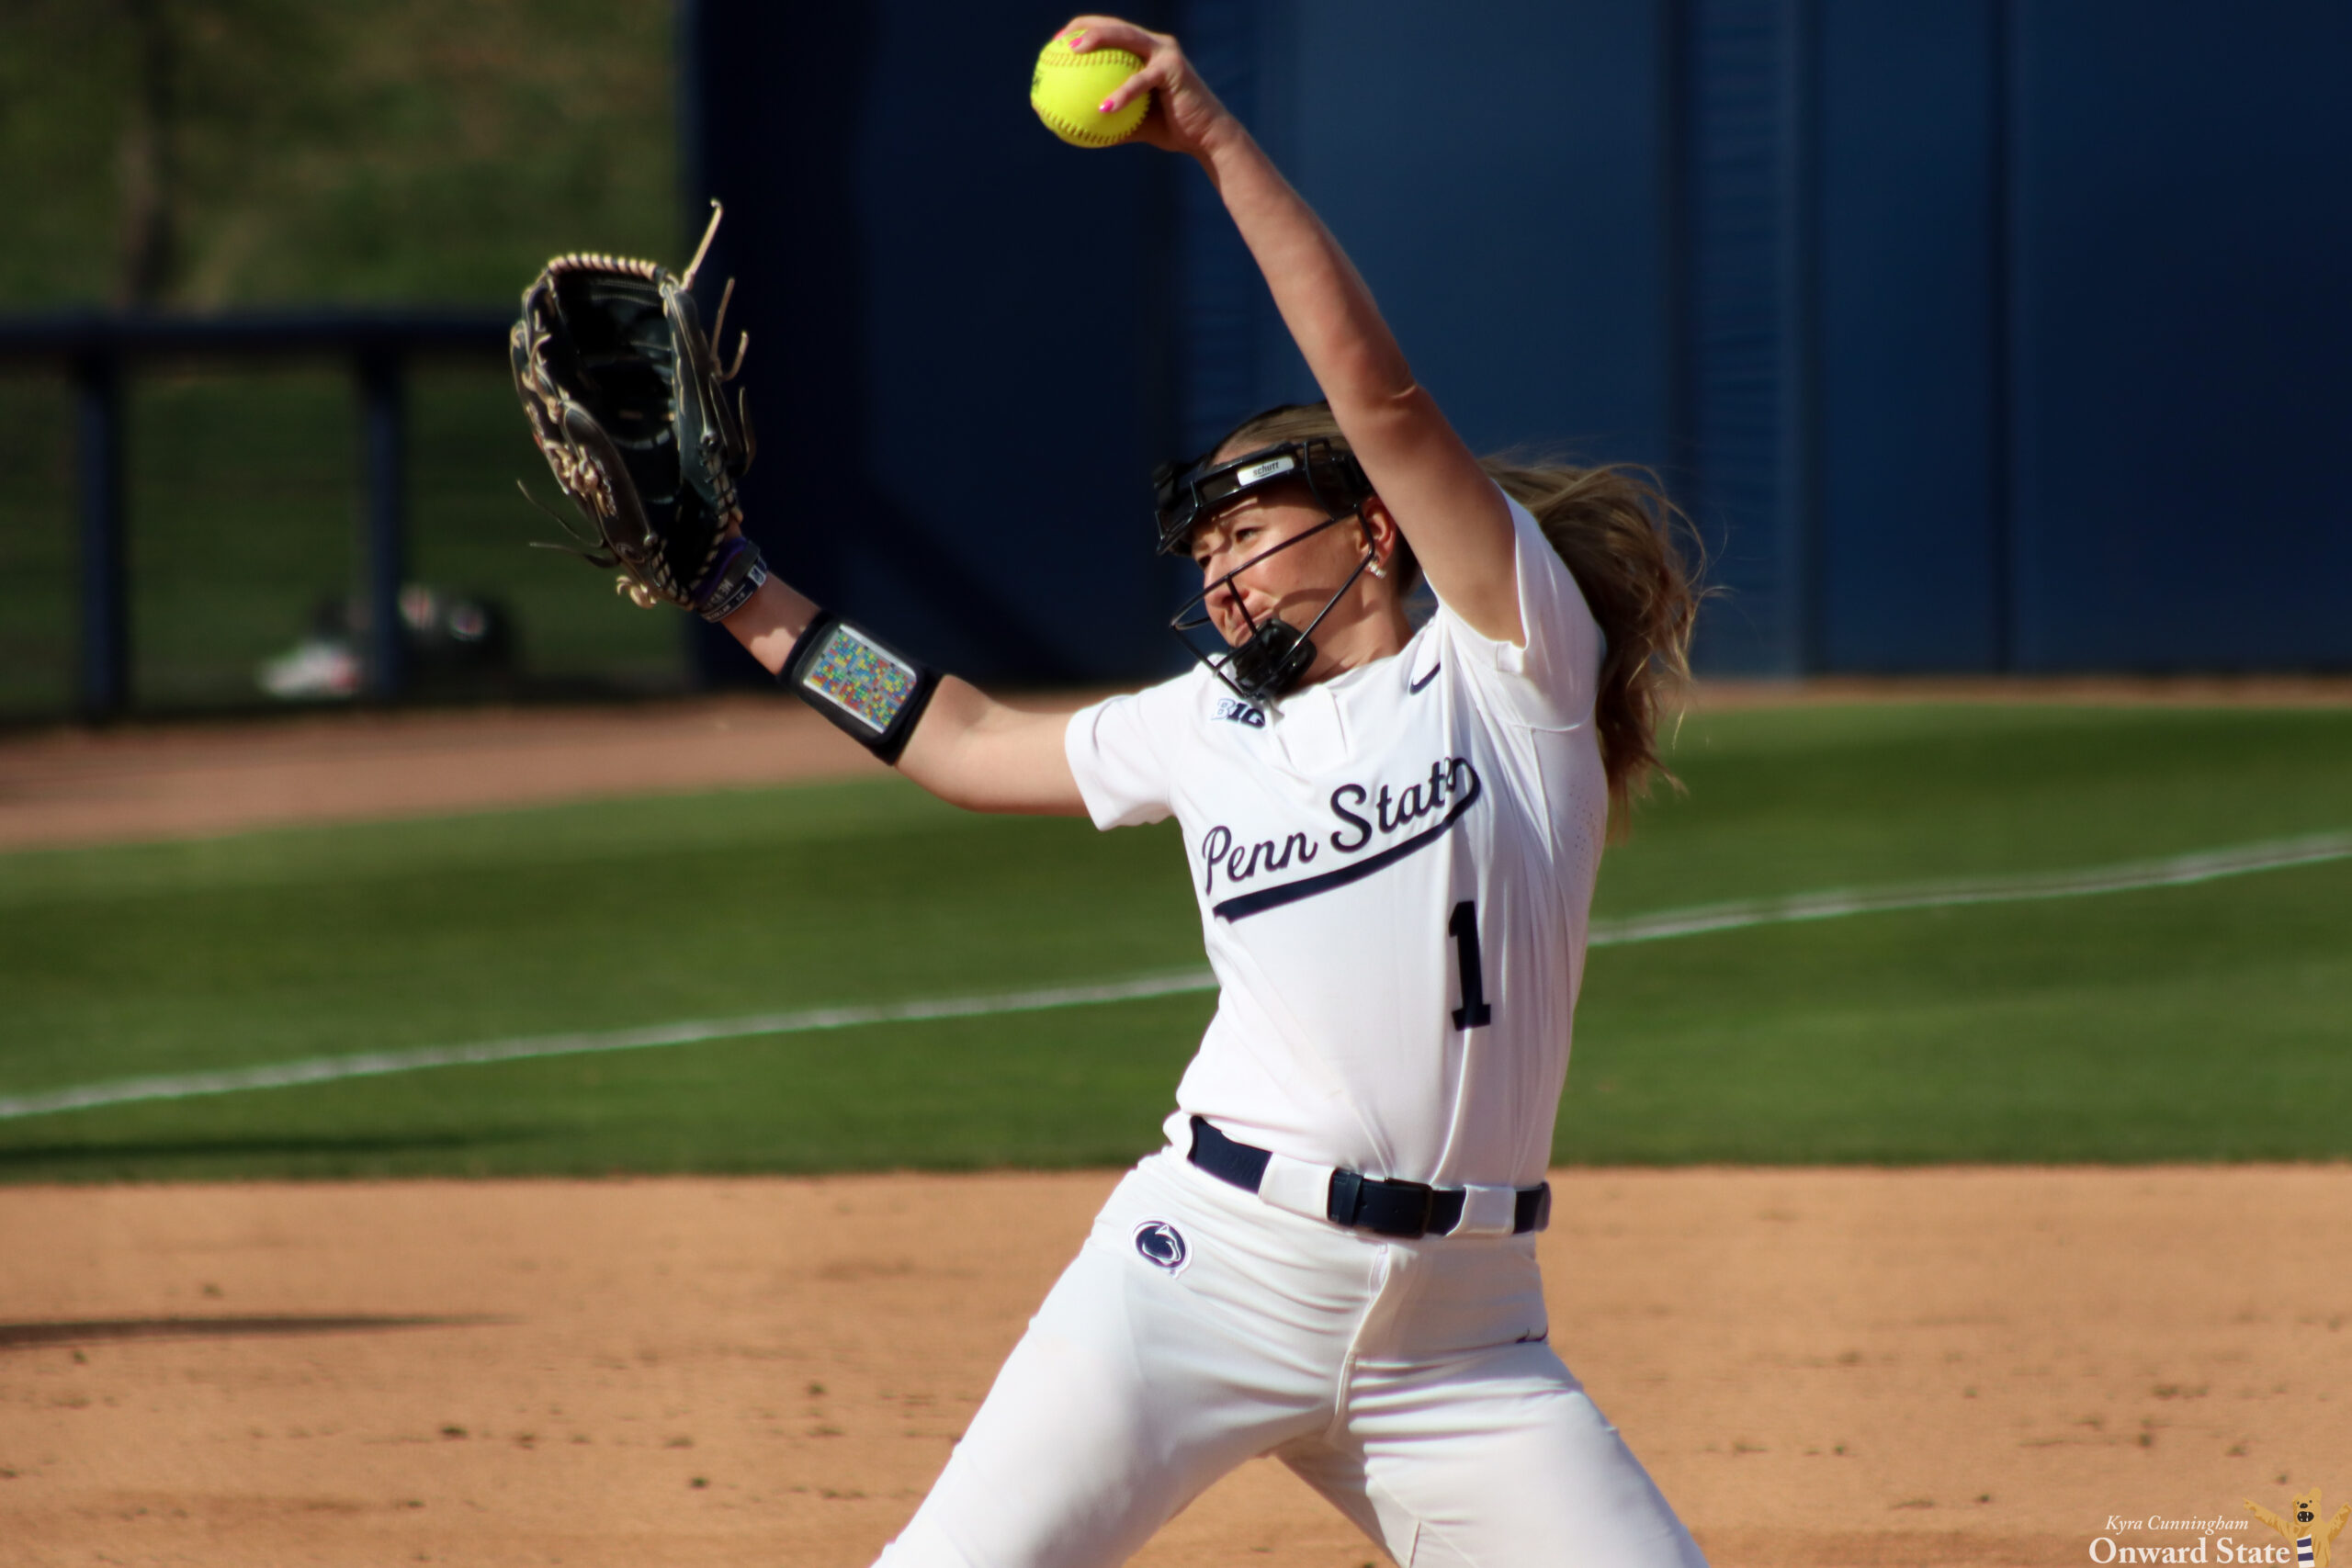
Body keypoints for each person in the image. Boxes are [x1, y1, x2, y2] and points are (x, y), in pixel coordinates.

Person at [715, 17, 1708, 1566]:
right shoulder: (1201, 728)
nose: (1226, 576)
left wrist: (1217, 144)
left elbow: (1380, 402)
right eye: (1205, 559)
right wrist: (742, 596)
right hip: (1205, 1269)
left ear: (1377, 535)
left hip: (1464, 1345)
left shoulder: (1510, 669)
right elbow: (965, 743)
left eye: (1252, 532)